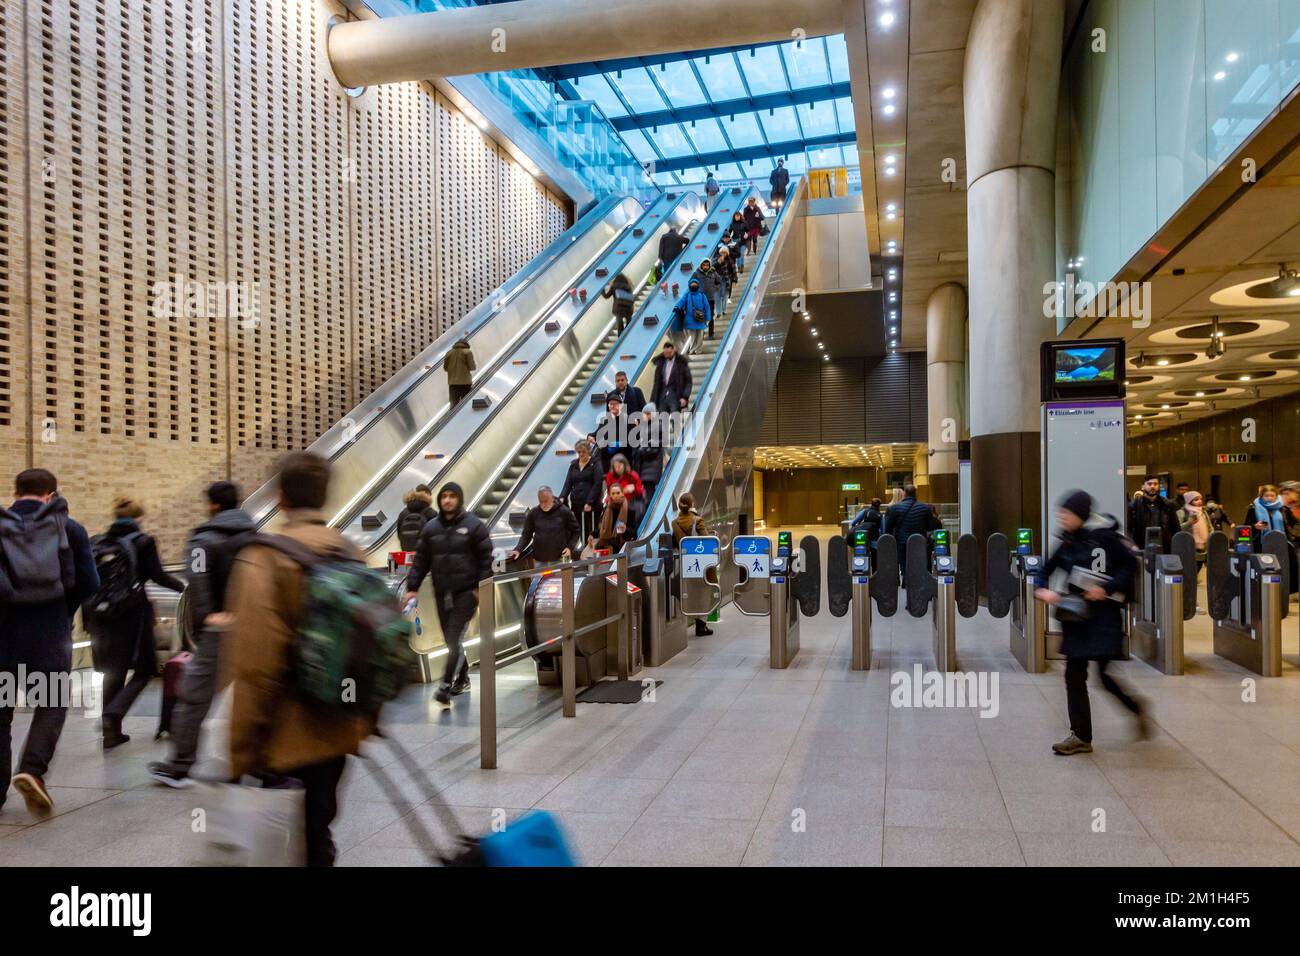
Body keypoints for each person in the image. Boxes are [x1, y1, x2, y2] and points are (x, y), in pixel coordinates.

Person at [224, 452, 376, 867]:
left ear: (281, 499)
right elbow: (372, 640)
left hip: (286, 732)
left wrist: (240, 751)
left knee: (280, 842)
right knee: (317, 831)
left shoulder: (265, 558)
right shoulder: (351, 553)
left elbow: (255, 664)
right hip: (340, 726)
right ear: (323, 496)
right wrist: (367, 721)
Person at [0, 469, 98, 817]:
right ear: (51, 494)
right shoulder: (69, 529)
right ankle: (33, 770)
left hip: (4, 637)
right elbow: (89, 583)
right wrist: (62, 611)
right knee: (51, 704)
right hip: (49, 636)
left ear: (17, 493)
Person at [147, 481, 255, 788]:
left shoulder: (204, 539)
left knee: (195, 696)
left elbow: (197, 577)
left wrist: (209, 615)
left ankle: (180, 765)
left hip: (220, 630)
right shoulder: (256, 537)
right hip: (253, 626)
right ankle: (256, 764)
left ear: (213, 506)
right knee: (256, 694)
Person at [1034, 490, 1148, 755]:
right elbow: (1045, 569)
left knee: (1104, 675)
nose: (1062, 517)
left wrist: (1106, 587)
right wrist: (1042, 588)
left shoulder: (1104, 537)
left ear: (1080, 515)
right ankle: (1081, 736)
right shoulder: (1066, 542)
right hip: (1076, 617)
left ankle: (1135, 707)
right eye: (1061, 512)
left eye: (1067, 513)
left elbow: (1130, 565)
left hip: (1103, 616)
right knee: (1074, 675)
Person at [91, 497, 186, 750]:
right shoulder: (143, 541)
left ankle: (111, 733)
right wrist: (184, 588)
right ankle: (113, 715)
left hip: (103, 615)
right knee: (144, 670)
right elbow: (157, 575)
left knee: (114, 672)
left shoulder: (99, 541)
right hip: (134, 614)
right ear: (137, 518)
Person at [402, 481, 493, 706]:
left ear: (459, 499)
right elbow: (421, 561)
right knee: (449, 638)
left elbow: (485, 559)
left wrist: (481, 587)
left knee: (453, 636)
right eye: (444, 496)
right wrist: (412, 588)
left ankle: (445, 686)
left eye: (452, 496)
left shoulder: (474, 526)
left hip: (466, 592)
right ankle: (462, 677)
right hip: (442, 591)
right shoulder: (431, 528)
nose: (448, 500)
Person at [671, 493, 713, 636]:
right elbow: (707, 541)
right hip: (700, 563)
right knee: (704, 592)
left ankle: (687, 620)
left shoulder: (675, 522)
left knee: (690, 592)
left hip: (686, 563)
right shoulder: (698, 520)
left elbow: (675, 543)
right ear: (693, 504)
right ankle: (701, 626)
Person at [882, 485, 941, 580]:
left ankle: (906, 579)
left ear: (904, 494)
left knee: (904, 563)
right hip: (919, 540)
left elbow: (888, 528)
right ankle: (918, 581)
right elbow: (931, 527)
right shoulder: (925, 508)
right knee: (918, 562)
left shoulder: (895, 508)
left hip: (902, 542)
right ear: (915, 493)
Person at [509, 487, 578, 566]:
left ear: (552, 498)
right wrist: (518, 549)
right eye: (541, 501)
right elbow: (526, 535)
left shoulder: (564, 511)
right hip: (540, 560)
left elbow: (576, 531)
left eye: (546, 501)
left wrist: (570, 548)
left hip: (561, 559)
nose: (543, 504)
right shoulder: (533, 513)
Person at [560, 438, 603, 543]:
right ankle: (584, 553)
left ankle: (594, 554)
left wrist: (589, 502)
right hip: (577, 503)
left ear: (588, 451)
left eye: (583, 452)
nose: (581, 454)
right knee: (581, 531)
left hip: (592, 505)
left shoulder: (595, 463)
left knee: (593, 531)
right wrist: (562, 497)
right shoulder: (573, 465)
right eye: (579, 452)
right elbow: (568, 483)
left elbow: (598, 484)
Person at [1127, 475, 1180, 550]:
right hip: (1141, 547)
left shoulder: (1167, 504)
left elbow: (1176, 528)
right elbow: (1128, 529)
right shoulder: (1134, 505)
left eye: (1155, 484)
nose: (1152, 486)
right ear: (1143, 486)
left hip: (1164, 547)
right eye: (1149, 484)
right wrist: (1132, 545)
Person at [1176, 490, 1212, 580]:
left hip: (1203, 547)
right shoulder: (1182, 512)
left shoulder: (1203, 512)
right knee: (1190, 573)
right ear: (1189, 501)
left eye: (1200, 499)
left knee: (1197, 571)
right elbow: (1178, 528)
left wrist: (1211, 536)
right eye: (1196, 499)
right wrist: (1189, 522)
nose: (1200, 501)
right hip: (1188, 547)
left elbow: (1209, 527)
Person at [650, 339, 692, 415]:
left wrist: (685, 397)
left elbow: (688, 382)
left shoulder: (681, 363)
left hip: (676, 396)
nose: (667, 354)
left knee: (675, 419)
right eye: (665, 353)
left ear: (673, 350)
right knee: (662, 421)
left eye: (669, 352)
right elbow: (656, 384)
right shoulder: (661, 364)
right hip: (662, 397)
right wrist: (653, 400)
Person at [605, 453, 645, 533]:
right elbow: (609, 492)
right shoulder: (610, 476)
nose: (617, 468)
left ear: (624, 465)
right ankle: (615, 535)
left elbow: (641, 491)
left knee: (634, 515)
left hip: (630, 505)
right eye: (615, 467)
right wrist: (608, 500)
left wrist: (634, 488)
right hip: (616, 504)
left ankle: (631, 534)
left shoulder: (632, 475)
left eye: (619, 466)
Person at [634, 403, 664, 507]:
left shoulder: (657, 427)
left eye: (648, 414)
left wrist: (641, 449)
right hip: (645, 469)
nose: (645, 416)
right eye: (644, 414)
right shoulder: (646, 427)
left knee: (649, 498)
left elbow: (653, 448)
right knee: (647, 496)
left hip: (652, 469)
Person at [672, 277, 712, 354]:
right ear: (689, 286)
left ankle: (698, 349)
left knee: (700, 336)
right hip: (690, 320)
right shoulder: (687, 295)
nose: (693, 286)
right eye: (692, 285)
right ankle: (693, 349)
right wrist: (677, 307)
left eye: (695, 285)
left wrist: (708, 318)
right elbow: (681, 302)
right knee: (692, 336)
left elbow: (707, 308)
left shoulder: (702, 296)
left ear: (698, 286)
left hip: (700, 320)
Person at [595, 396, 631, 473]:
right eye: (610, 404)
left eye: (615, 404)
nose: (612, 406)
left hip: (622, 459)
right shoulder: (604, 419)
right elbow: (598, 433)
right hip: (606, 460)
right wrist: (591, 436)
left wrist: (618, 444)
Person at [592, 483, 631, 553]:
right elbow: (601, 528)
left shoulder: (629, 509)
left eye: (618, 493)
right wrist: (592, 534)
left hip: (621, 547)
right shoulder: (606, 509)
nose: (615, 496)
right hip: (606, 547)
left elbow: (634, 532)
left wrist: (626, 529)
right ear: (609, 495)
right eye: (613, 493)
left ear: (622, 494)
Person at [397, 487, 435, 553]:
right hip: (427, 554)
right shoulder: (431, 512)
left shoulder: (403, 514)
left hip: (408, 552)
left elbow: (399, 534)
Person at [694, 259, 724, 338]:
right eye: (704, 265)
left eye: (707, 265)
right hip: (701, 299)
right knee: (701, 316)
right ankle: (702, 331)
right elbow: (691, 283)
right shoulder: (696, 273)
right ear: (701, 265)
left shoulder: (713, 272)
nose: (705, 267)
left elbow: (720, 281)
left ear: (709, 265)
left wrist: (715, 288)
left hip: (711, 299)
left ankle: (711, 333)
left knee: (710, 316)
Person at [445, 337, 476, 406]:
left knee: (453, 404)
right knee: (466, 404)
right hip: (465, 383)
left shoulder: (449, 353)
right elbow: (472, 367)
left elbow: (445, 368)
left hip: (452, 384)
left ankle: (453, 416)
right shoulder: (468, 352)